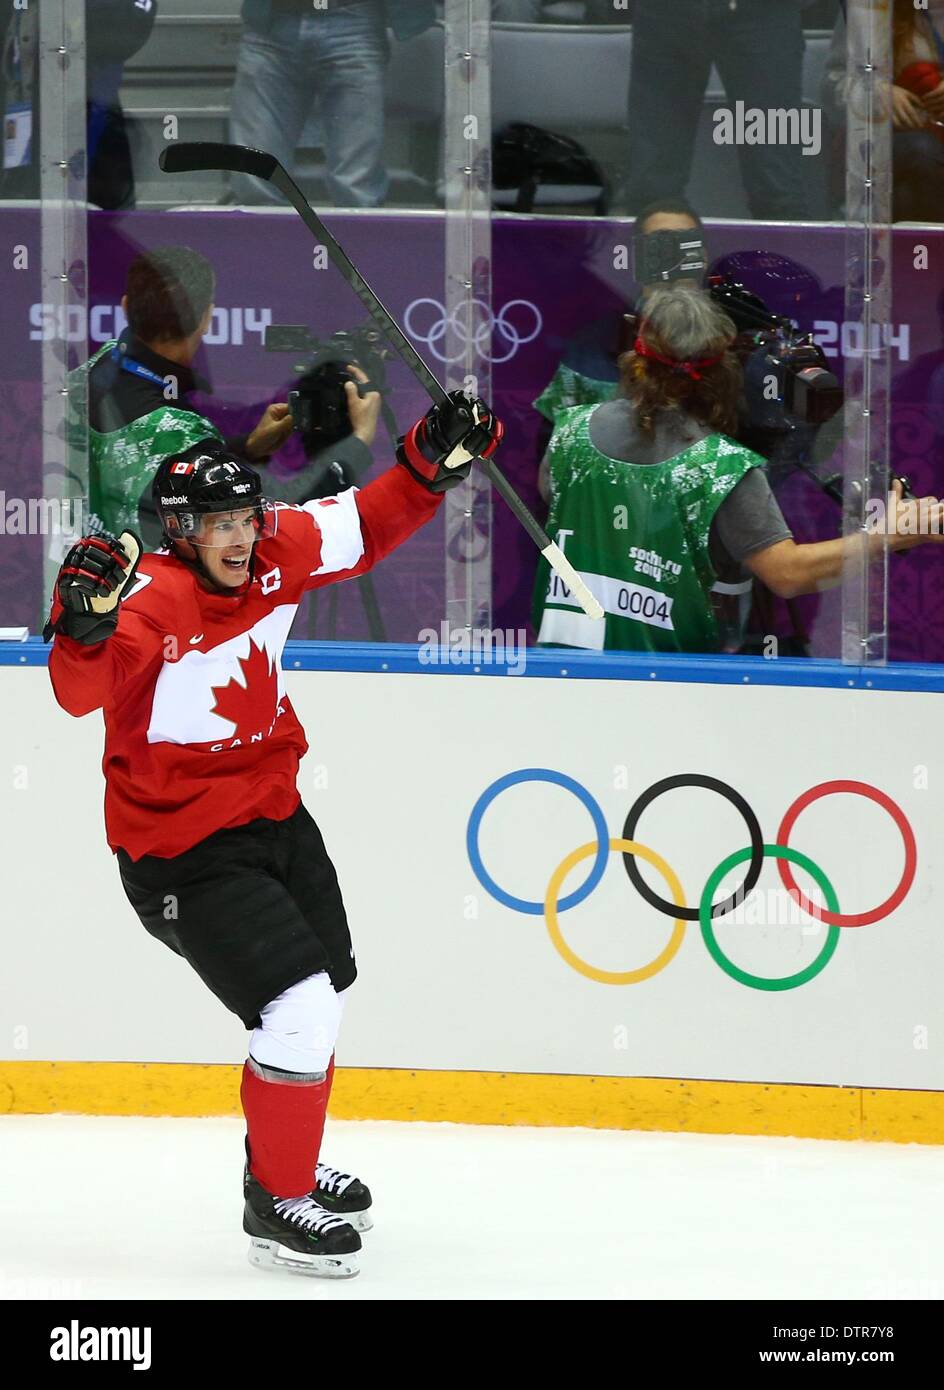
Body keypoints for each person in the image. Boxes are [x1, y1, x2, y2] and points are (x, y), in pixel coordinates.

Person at [43, 392, 504, 1278]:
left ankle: (282, 1161)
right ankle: (276, 1200)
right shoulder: (152, 603)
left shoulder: (275, 548)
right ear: (179, 533)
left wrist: (428, 459)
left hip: (276, 815)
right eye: (217, 524)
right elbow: (77, 692)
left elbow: (365, 523)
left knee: (321, 991)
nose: (240, 537)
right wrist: (82, 624)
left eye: (246, 516)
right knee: (300, 1006)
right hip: (182, 849)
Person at [533, 283, 944, 653]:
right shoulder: (721, 466)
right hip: (668, 688)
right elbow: (787, 574)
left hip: (565, 671)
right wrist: (884, 537)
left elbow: (557, 497)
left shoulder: (570, 431)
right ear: (727, 369)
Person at [74, 245, 381, 538]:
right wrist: (358, 442)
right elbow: (283, 515)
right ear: (207, 317)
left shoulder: (94, 368)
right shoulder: (178, 433)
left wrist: (245, 448)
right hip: (144, 587)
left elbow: (164, 460)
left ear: (126, 307)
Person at [227, 0, 435, 209]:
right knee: (256, 179)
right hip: (273, 20)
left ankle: (357, 240)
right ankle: (261, 240)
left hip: (353, 17)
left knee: (355, 187)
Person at [626, 0, 815, 221]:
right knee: (652, 187)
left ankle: (779, 254)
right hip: (665, 15)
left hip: (762, 14)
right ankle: (660, 253)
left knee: (777, 186)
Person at [823, 0, 944, 222]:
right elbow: (832, 85)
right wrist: (875, 92)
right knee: (922, 151)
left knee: (905, 197)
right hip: (883, 142)